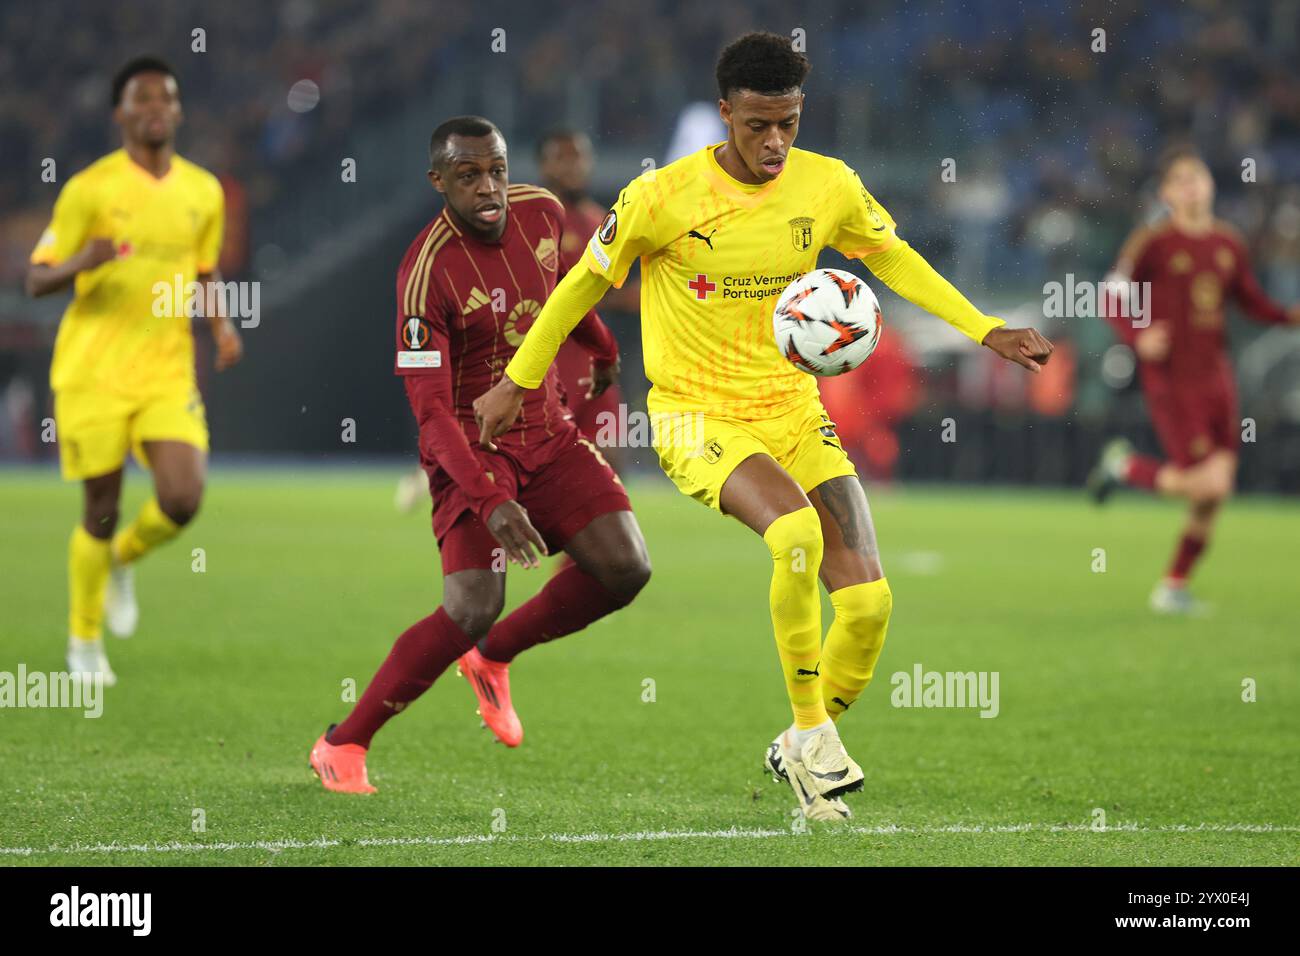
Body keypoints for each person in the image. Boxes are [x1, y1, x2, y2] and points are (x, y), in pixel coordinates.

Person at [474, 34, 1052, 821]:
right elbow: (579, 286)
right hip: (694, 416)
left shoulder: (828, 185)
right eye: (757, 125)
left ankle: (797, 743)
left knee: (870, 606)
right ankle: (815, 745)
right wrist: (516, 380)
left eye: (787, 122)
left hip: (792, 409)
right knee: (795, 539)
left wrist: (984, 327)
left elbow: (896, 259)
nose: (775, 141)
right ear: (725, 116)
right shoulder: (662, 197)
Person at [310, 116, 650, 794]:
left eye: (495, 169)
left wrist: (605, 350)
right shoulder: (423, 275)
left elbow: (562, 292)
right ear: (439, 182)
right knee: (470, 603)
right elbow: (431, 412)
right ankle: (343, 744)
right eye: (468, 176)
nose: (488, 187)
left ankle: (493, 658)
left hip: (548, 430)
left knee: (626, 569)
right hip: (473, 449)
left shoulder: (543, 212)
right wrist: (488, 499)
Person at [25, 56, 242, 686]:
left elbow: (205, 272)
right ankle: (84, 641)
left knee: (182, 498)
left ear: (177, 111)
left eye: (164, 99)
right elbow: (36, 277)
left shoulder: (203, 191)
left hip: (165, 369)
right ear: (120, 113)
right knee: (101, 504)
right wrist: (82, 261)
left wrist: (222, 325)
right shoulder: (90, 189)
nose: (154, 108)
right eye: (140, 99)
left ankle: (121, 558)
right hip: (91, 370)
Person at [1090, 145, 1300, 613]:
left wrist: (1288, 316)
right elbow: (1110, 295)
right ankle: (1124, 467)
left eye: (1198, 177)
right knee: (1204, 485)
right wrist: (1137, 335)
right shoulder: (1153, 241)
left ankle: (1173, 586)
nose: (1191, 186)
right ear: (1167, 192)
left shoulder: (1228, 242)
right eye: (1180, 180)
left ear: (1210, 185)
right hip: (1173, 381)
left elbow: (1249, 300)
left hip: (1217, 378)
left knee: (1216, 491)